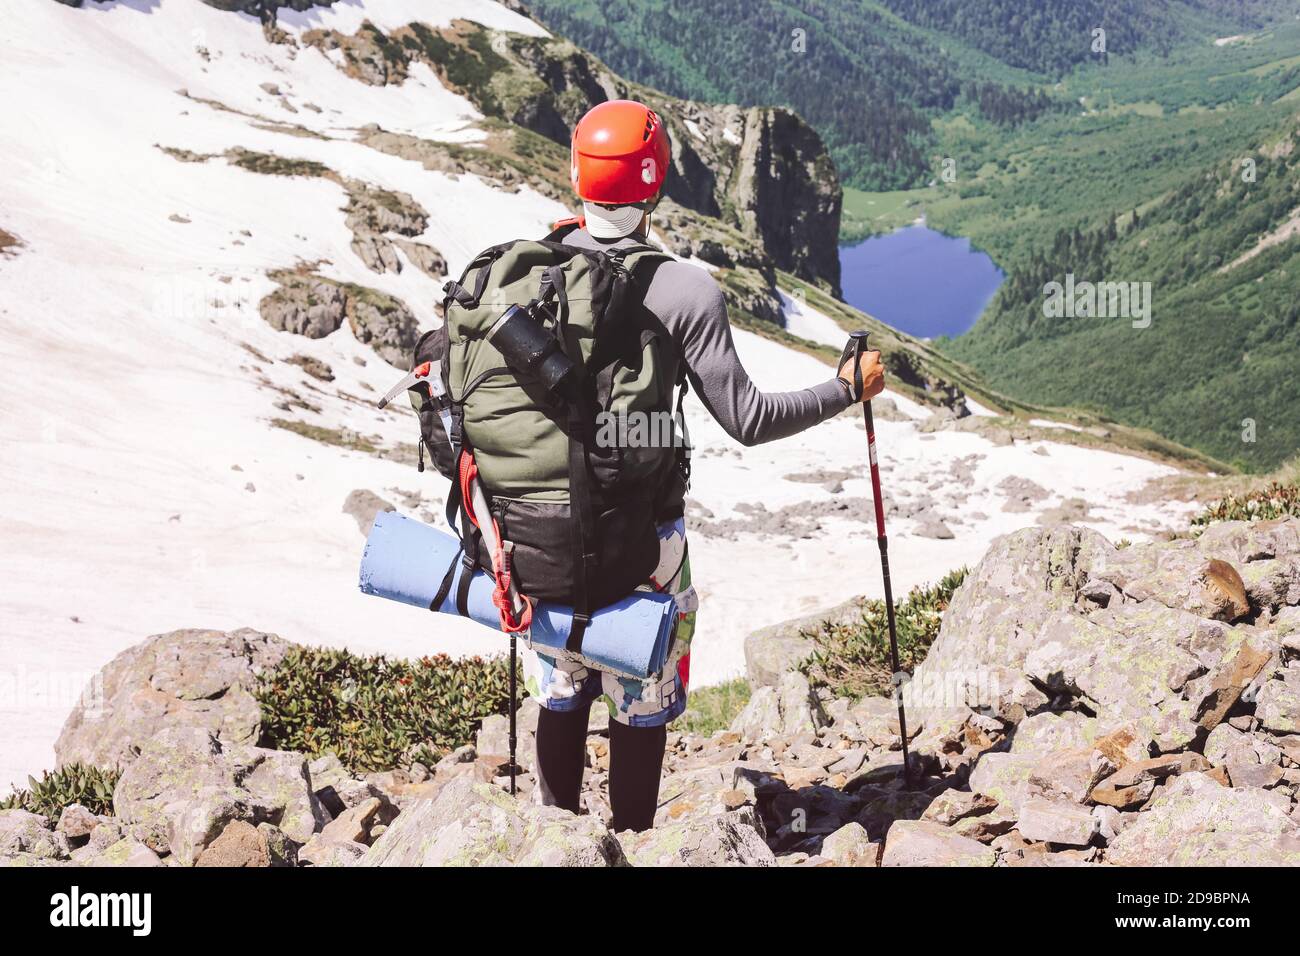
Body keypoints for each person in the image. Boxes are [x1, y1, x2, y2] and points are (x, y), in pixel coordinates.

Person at [525, 99, 886, 832]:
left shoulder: (531, 273)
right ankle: (633, 839)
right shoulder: (685, 290)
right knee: (640, 696)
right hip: (646, 542)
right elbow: (748, 419)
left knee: (561, 689)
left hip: (545, 530)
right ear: (654, 184)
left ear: (576, 176)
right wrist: (845, 389)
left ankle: (556, 837)